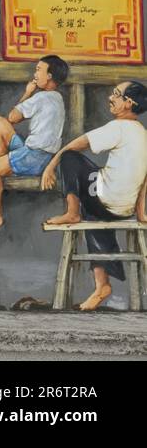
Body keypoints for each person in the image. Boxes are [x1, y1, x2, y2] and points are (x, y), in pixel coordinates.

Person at [42, 82, 147, 311]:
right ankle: (102, 286)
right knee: (91, 206)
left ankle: (71, 213)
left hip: (105, 199)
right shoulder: (143, 134)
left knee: (69, 157)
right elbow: (144, 180)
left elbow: (77, 145)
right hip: (123, 207)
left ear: (129, 103)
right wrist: (140, 213)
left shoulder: (118, 127)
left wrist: (51, 165)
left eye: (116, 95)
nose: (111, 97)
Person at [0, 54, 69, 240]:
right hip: (39, 154)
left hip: (35, 156)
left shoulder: (40, 97)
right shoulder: (57, 97)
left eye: (38, 70)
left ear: (50, 76)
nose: (35, 74)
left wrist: (28, 92)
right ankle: (2, 168)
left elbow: (14, 116)